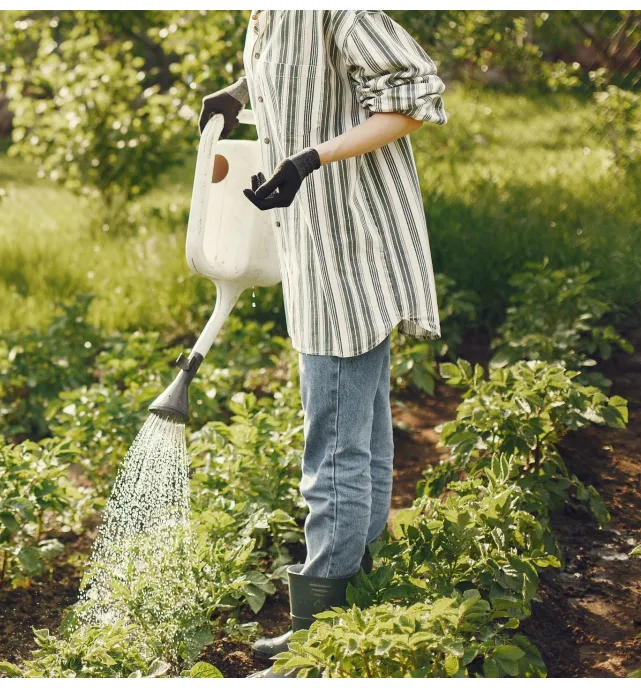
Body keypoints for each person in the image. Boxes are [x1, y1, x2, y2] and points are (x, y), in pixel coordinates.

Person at [197, 10, 447, 677]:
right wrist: (241, 91)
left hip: (347, 246)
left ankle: (316, 632)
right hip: (316, 244)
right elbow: (302, 78)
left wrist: (313, 157)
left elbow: (416, 94)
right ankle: (355, 595)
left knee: (333, 447)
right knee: (359, 434)